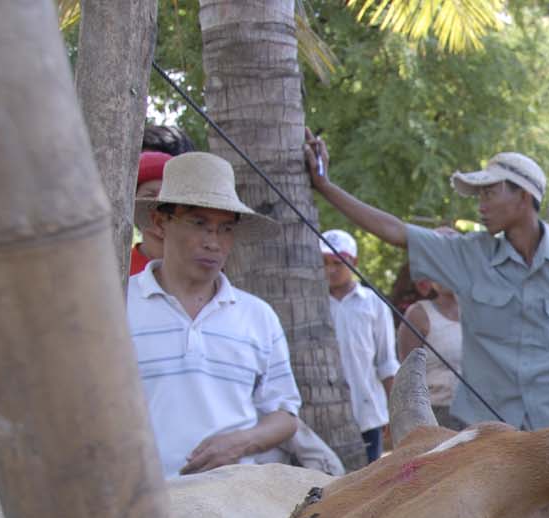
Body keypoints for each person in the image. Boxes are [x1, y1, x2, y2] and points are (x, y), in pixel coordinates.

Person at [303, 136, 549, 430]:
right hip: (489, 435)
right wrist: (325, 186)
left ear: (523, 197)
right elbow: (395, 231)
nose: (480, 206)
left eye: (489, 194)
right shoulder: (469, 256)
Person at [128, 152, 299, 477]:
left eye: (225, 229)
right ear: (161, 222)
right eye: (199, 224)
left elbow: (285, 413)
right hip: (139, 505)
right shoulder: (116, 305)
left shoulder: (258, 317)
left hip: (234, 502)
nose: (213, 242)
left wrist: (242, 442)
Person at [320, 229, 398, 464]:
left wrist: (393, 414)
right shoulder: (311, 304)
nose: (330, 270)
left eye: (337, 262)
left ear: (353, 262)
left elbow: (387, 362)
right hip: (322, 414)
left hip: (366, 416)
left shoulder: (373, 304)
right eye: (323, 263)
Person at [397, 231, 467, 431]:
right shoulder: (418, 314)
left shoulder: (480, 311)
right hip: (435, 415)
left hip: (476, 414)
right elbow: (407, 378)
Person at [129, 151, 172, 276]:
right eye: (150, 197)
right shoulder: (119, 265)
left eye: (168, 198)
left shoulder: (205, 270)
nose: (159, 211)